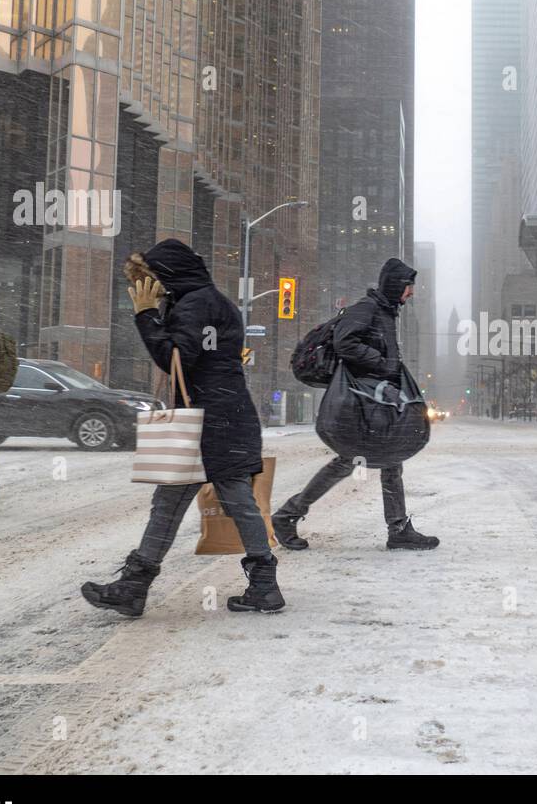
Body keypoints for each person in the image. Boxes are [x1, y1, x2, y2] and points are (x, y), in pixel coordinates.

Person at [81, 239, 284, 616]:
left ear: (170, 274)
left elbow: (175, 356)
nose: (151, 286)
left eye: (154, 278)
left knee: (192, 503)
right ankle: (262, 585)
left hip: (208, 419)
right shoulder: (212, 300)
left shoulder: (193, 304)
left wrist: (146, 315)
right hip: (226, 413)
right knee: (224, 502)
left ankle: (137, 585)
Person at [272, 258, 439, 551]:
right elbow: (344, 342)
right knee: (351, 460)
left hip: (373, 399)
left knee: (388, 459)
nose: (411, 293)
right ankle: (287, 515)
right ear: (395, 286)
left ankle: (397, 527)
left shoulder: (385, 312)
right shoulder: (368, 308)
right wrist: (383, 363)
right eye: (408, 287)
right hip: (359, 402)